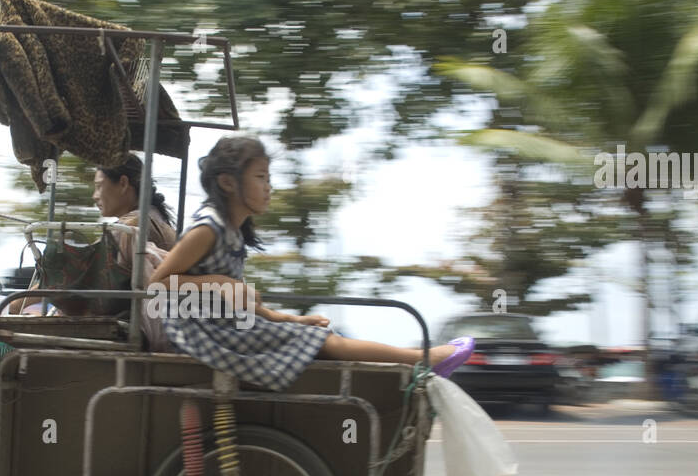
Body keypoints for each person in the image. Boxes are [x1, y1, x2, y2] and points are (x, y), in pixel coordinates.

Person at [147, 136, 476, 392]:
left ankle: (421, 361)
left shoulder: (231, 231)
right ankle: (425, 359)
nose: (268, 186)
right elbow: (156, 286)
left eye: (268, 177)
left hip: (226, 325)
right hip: (202, 333)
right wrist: (216, 283)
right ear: (228, 183)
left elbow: (240, 302)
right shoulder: (207, 228)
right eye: (260, 177)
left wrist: (289, 318)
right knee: (326, 344)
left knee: (319, 335)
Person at [12, 154, 177, 314]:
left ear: (123, 183)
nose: (95, 196)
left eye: (99, 186)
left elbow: (78, 275)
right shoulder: (155, 217)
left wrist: (19, 302)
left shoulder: (129, 228)